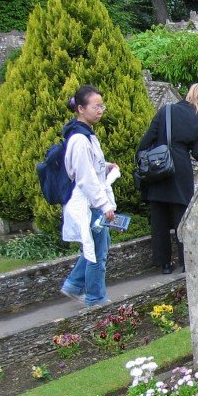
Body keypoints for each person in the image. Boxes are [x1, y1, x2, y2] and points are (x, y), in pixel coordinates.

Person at [138, 83, 198, 274]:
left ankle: (164, 264)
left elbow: (146, 141)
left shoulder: (166, 110)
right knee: (182, 218)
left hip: (159, 167)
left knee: (159, 220)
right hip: (180, 171)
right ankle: (185, 262)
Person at [60, 85, 118, 308]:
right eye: (96, 107)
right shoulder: (80, 139)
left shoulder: (86, 134)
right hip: (89, 203)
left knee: (99, 244)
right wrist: (104, 205)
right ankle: (95, 298)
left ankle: (74, 284)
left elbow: (90, 167)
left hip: (91, 201)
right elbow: (85, 177)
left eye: (102, 106)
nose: (100, 110)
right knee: (97, 252)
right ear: (81, 109)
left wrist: (105, 166)